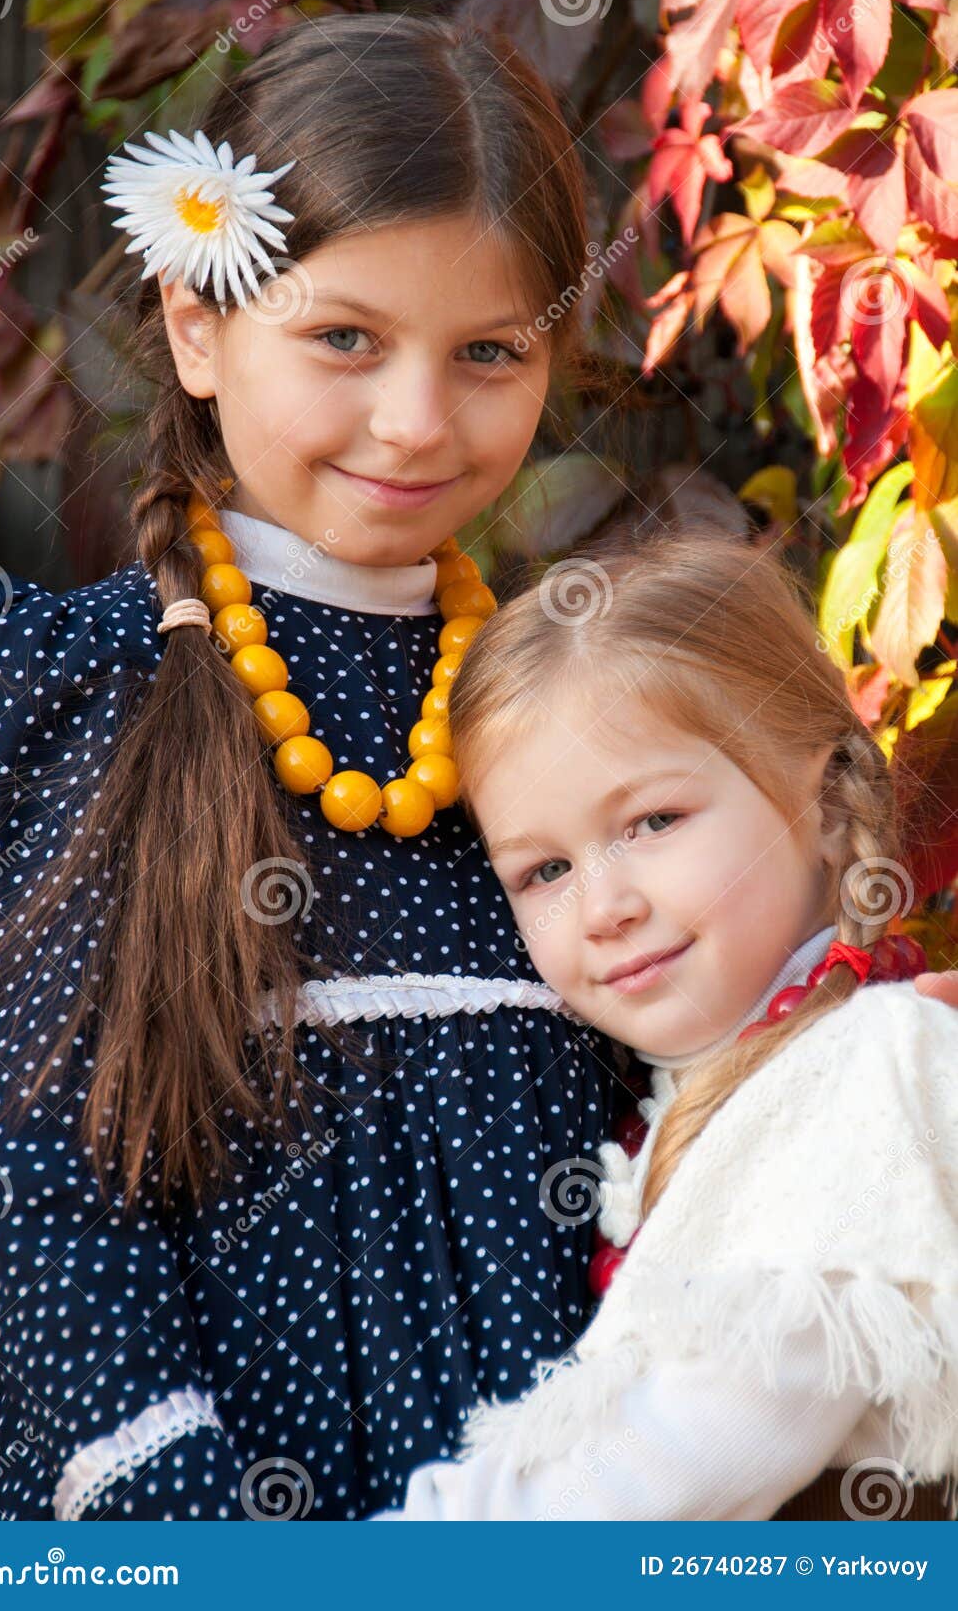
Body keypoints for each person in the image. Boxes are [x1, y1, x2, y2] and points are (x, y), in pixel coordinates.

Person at [0, 12, 624, 1521]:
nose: (414, 422)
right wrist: (191, 1517)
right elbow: (13, 1163)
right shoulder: (50, 688)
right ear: (196, 325)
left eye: (489, 352)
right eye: (343, 338)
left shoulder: (571, 711)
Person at [375, 529, 958, 1521]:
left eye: (653, 822)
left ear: (825, 805)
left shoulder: (870, 1074)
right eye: (544, 871)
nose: (604, 907)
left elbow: (675, 1462)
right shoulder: (686, 1102)